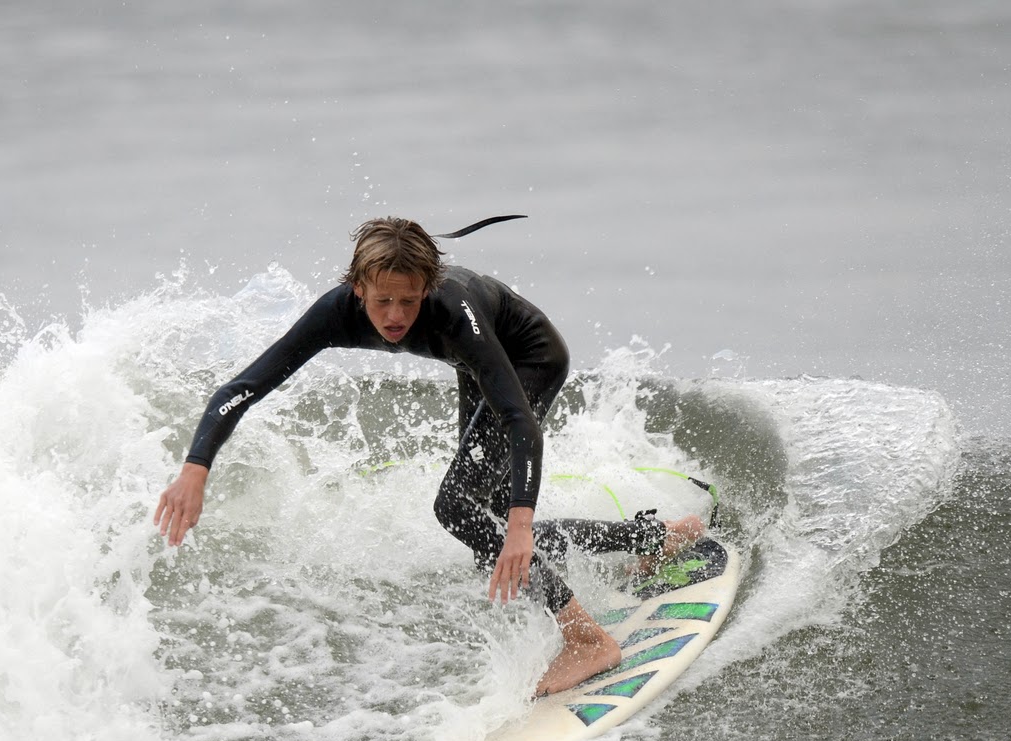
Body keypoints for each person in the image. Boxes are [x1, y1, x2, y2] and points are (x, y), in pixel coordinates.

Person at [154, 217, 704, 696]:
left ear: (428, 288)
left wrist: (522, 520)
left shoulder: (451, 311)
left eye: (409, 301)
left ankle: (586, 637)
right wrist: (194, 469)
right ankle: (655, 539)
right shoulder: (333, 314)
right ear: (356, 287)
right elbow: (241, 387)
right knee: (484, 535)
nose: (395, 317)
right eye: (381, 301)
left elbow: (518, 420)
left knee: (459, 510)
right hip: (476, 367)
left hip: (528, 360)